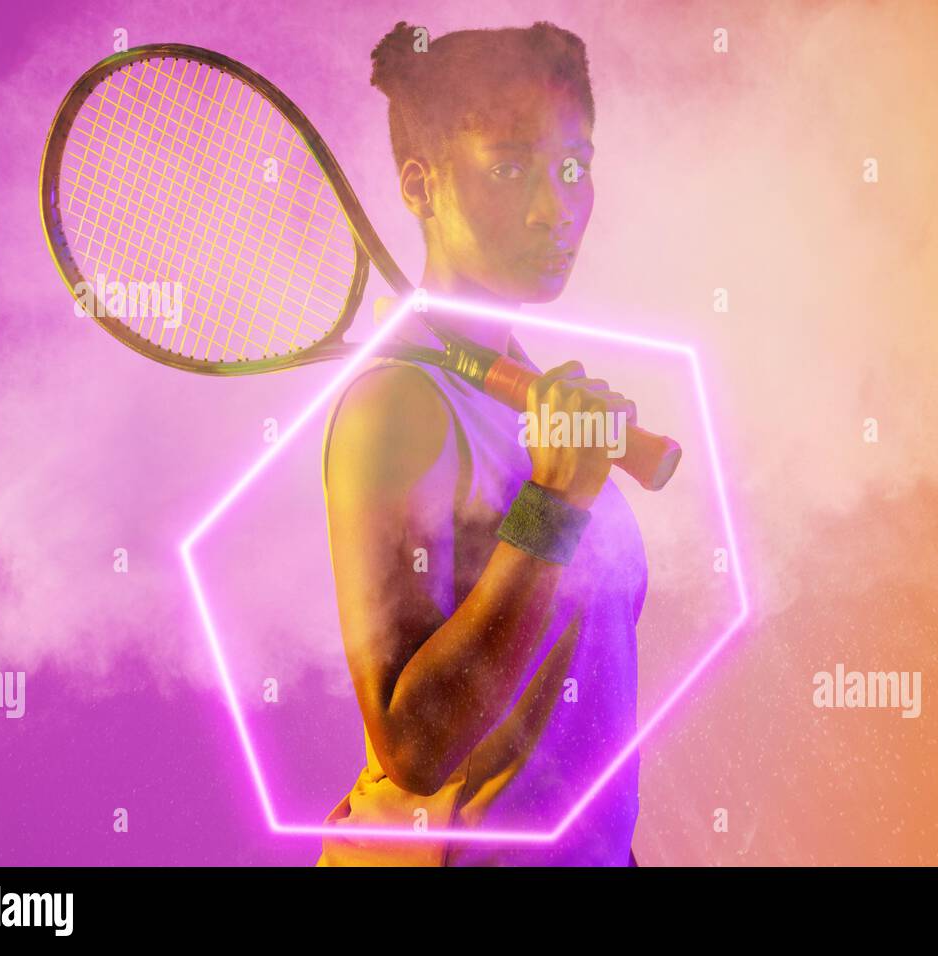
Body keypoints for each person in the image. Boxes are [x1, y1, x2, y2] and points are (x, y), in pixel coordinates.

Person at [316, 20, 645, 866]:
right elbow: (414, 749)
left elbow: (565, 737)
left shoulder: (520, 385)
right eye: (509, 167)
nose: (555, 205)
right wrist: (554, 504)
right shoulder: (399, 404)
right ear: (421, 186)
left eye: (574, 166)